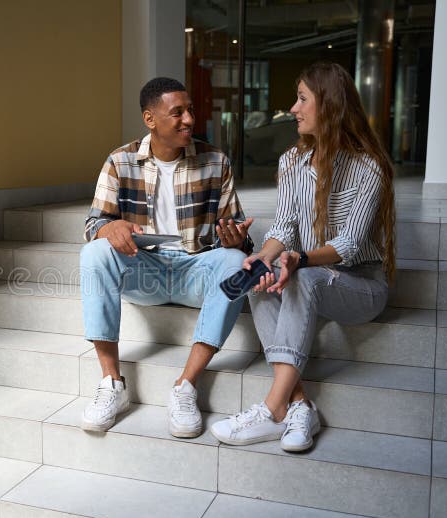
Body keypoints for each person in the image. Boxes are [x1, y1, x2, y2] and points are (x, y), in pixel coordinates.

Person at [210, 62, 396, 451]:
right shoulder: (291, 162)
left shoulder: (369, 168)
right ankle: (300, 405)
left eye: (302, 99)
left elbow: (348, 245)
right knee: (259, 283)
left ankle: (271, 408)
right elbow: (284, 228)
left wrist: (299, 261)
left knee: (303, 276)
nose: (293, 109)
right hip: (309, 275)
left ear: (329, 105)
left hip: (360, 285)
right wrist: (263, 256)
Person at [79, 77, 254, 437]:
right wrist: (107, 229)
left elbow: (236, 230)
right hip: (146, 272)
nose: (189, 118)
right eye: (177, 112)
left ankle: (186, 385)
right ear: (150, 118)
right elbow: (93, 222)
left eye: (190, 110)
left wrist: (237, 240)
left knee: (236, 265)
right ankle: (112, 383)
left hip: (196, 270)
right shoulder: (120, 160)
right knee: (95, 253)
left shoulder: (215, 161)